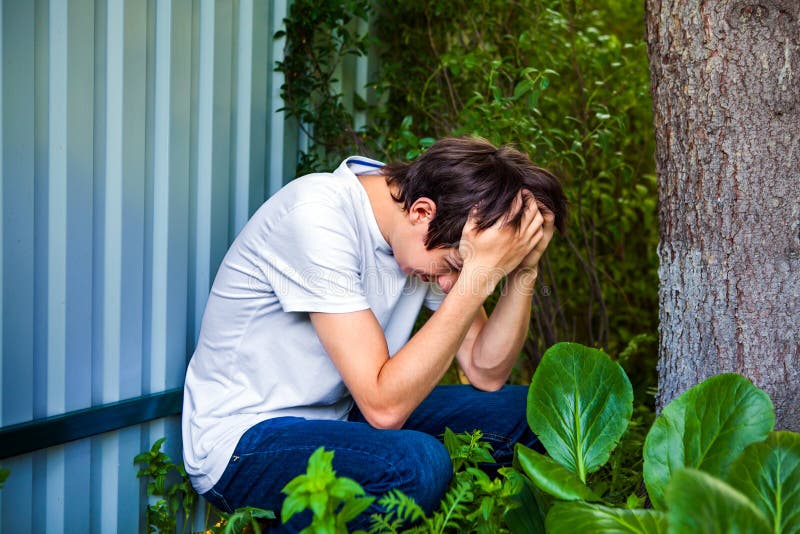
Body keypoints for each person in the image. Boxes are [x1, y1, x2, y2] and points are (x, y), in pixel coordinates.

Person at [182, 136, 567, 531]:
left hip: (342, 416)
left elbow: (486, 371)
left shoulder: (425, 230)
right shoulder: (317, 216)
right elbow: (384, 409)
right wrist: (480, 273)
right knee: (416, 464)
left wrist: (523, 268)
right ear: (421, 212)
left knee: (535, 415)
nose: (454, 284)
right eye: (454, 266)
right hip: (244, 439)